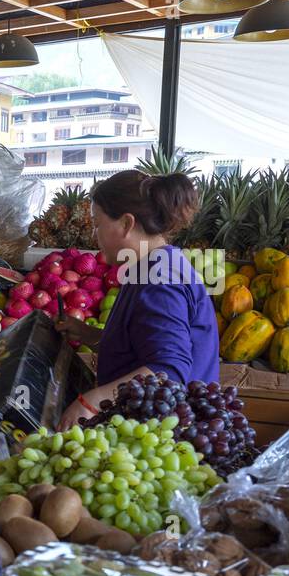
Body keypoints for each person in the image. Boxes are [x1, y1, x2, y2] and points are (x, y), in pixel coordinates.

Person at [56, 170, 220, 430]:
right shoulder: (152, 266)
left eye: (98, 224)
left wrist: (93, 401)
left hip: (170, 437)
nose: (94, 236)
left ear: (126, 224)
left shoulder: (160, 282)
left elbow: (169, 371)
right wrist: (86, 334)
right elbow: (142, 344)